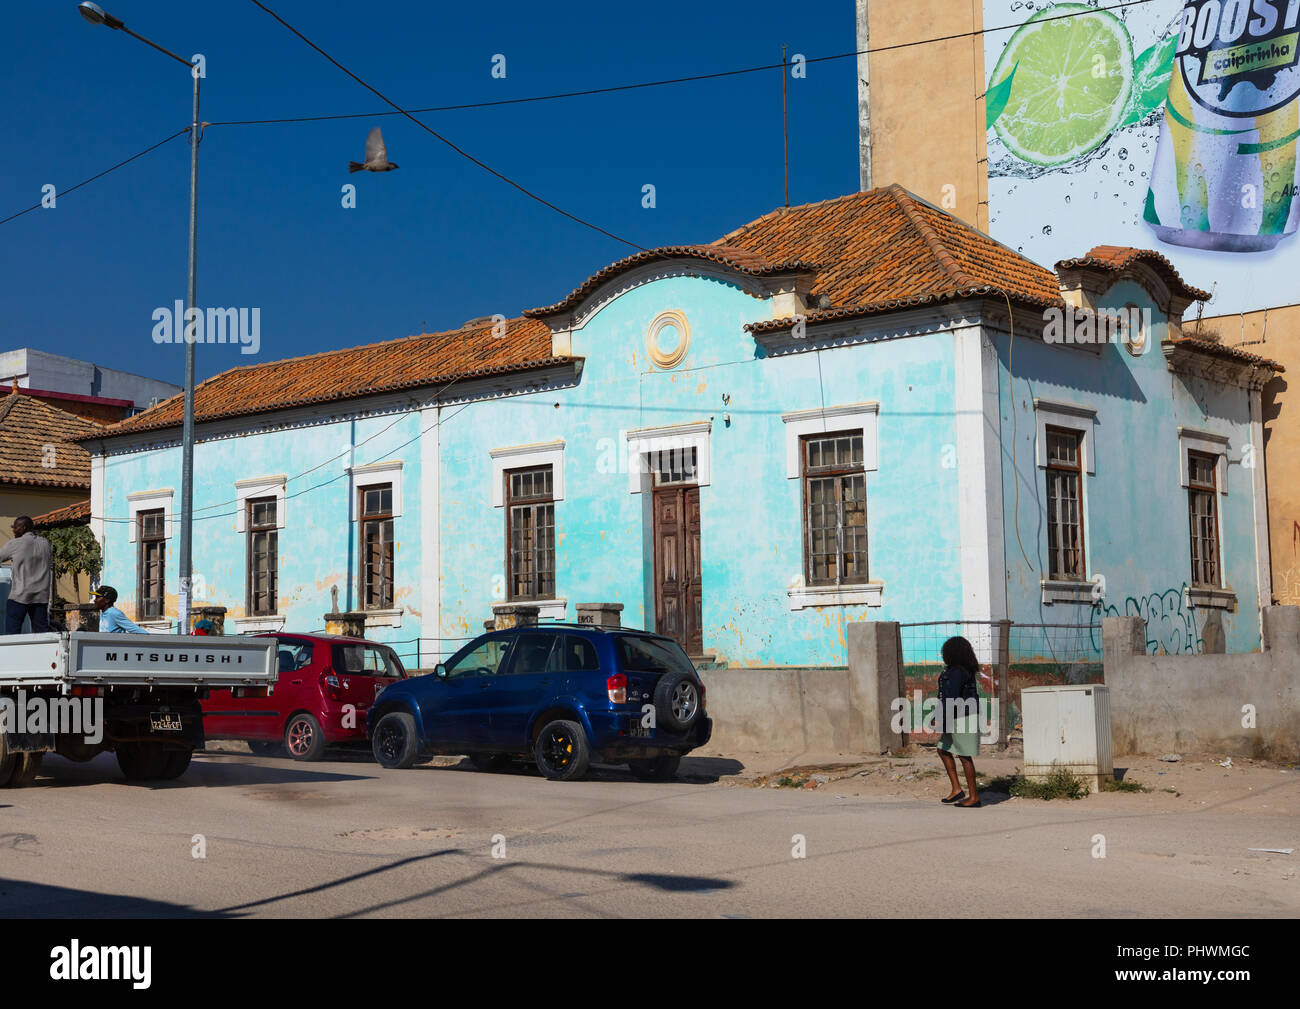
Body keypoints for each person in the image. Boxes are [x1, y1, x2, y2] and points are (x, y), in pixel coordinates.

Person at [936, 635, 982, 808]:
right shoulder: (959, 670)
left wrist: (941, 718)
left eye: (945, 652)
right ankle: (957, 790)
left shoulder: (957, 672)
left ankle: (974, 797)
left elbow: (952, 697)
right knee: (943, 750)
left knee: (964, 755)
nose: (943, 655)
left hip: (962, 717)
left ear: (952, 653)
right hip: (956, 715)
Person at [0, 516, 53, 634]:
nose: (13, 530)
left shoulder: (15, 543)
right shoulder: (45, 543)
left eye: (15, 527)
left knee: (12, 634)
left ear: (24, 527)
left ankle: (13, 653)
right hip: (41, 597)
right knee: (42, 634)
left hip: (20, 596)